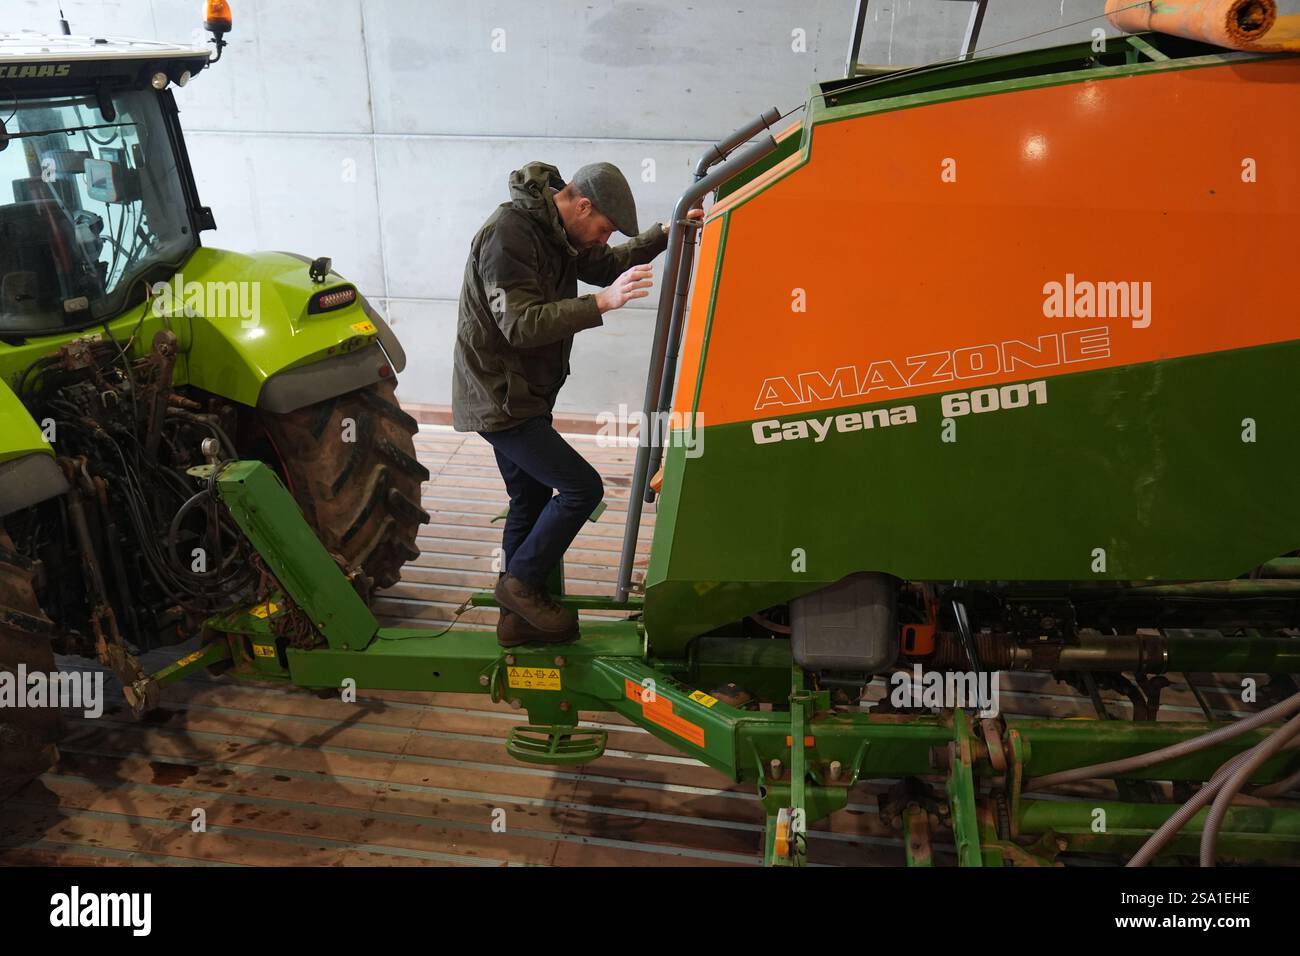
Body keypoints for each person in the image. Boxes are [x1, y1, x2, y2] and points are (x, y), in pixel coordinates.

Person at [452, 161, 700, 646]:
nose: (603, 239)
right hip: (500, 399)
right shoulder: (509, 234)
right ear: (582, 205)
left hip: (522, 393)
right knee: (582, 488)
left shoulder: (555, 232)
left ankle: (515, 621)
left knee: (529, 497)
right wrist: (601, 304)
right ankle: (520, 584)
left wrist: (668, 231)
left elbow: (603, 264)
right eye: (604, 228)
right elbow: (519, 324)